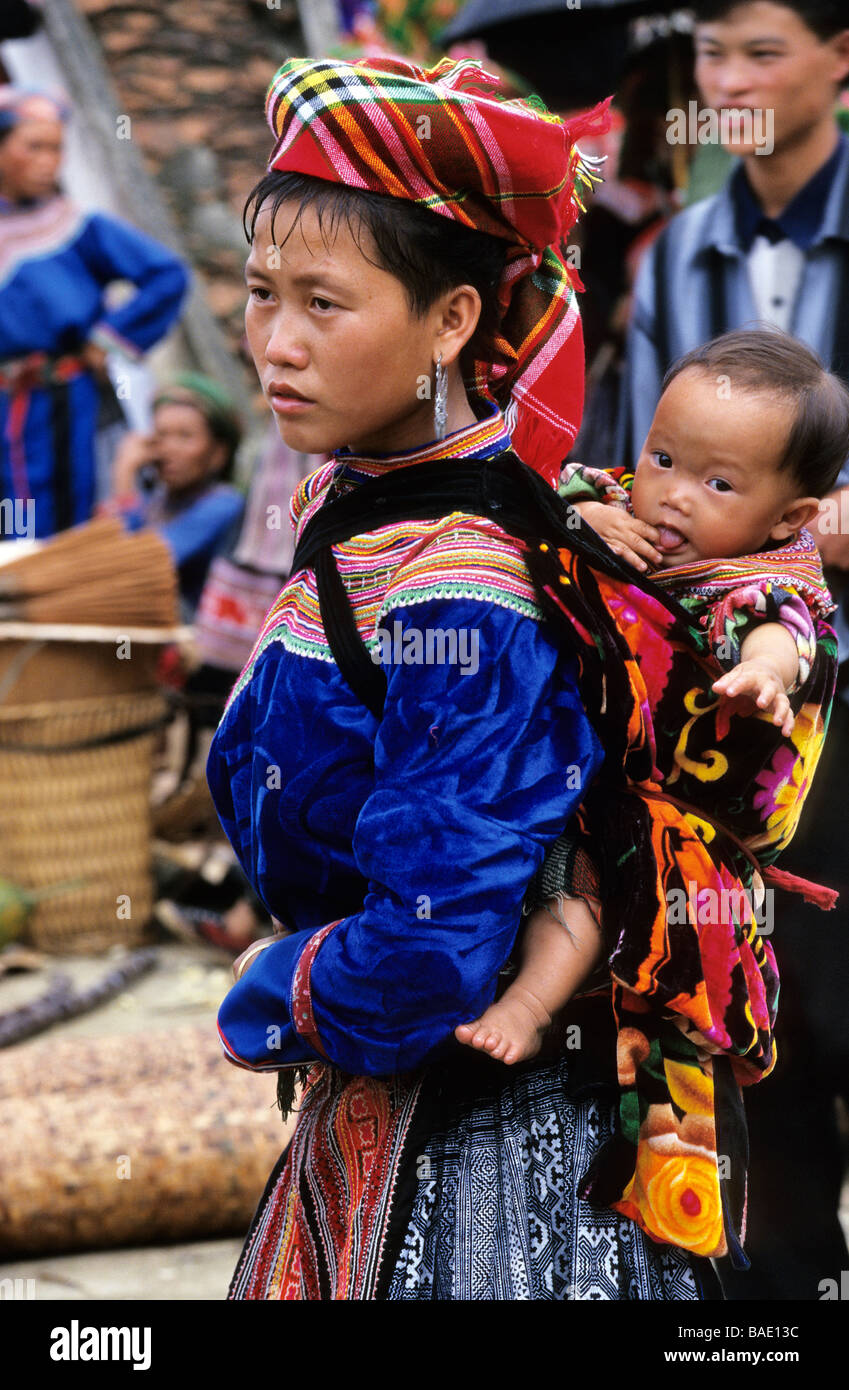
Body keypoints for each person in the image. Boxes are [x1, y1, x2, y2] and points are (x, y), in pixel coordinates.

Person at [205, 55, 789, 1301]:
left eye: (323, 302)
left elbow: (434, 945)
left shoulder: (460, 590)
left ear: (454, 321)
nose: (277, 344)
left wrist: (270, 993)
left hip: (479, 1139)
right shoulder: (376, 490)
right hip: (389, 1096)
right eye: (262, 295)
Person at [615, 0, 849, 1299]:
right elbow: (638, 443)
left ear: (840, 58)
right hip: (714, 698)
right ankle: (773, 1280)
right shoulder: (678, 248)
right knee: (750, 1002)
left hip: (818, 668)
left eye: (762, 49)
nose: (729, 79)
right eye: (710, 53)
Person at [458, 328, 847, 1065]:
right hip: (548, 767)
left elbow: (784, 637)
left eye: (718, 484)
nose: (672, 496)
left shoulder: (760, 584)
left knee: (578, 898)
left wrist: (763, 674)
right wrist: (584, 523)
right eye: (663, 459)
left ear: (789, 519)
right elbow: (538, 502)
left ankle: (529, 1006)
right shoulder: (613, 503)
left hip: (644, 814)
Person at [0, 86, 189, 540]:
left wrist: (107, 338)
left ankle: (42, 589)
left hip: (61, 400)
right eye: (35, 147)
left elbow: (167, 275)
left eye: (57, 147)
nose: (50, 160)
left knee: (53, 508)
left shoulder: (78, 229)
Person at [104, 373, 245, 620]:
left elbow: (142, 565)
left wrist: (124, 475)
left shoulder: (225, 505)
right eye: (161, 435)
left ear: (218, 454)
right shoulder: (156, 502)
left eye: (184, 437)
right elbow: (106, 549)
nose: (168, 449)